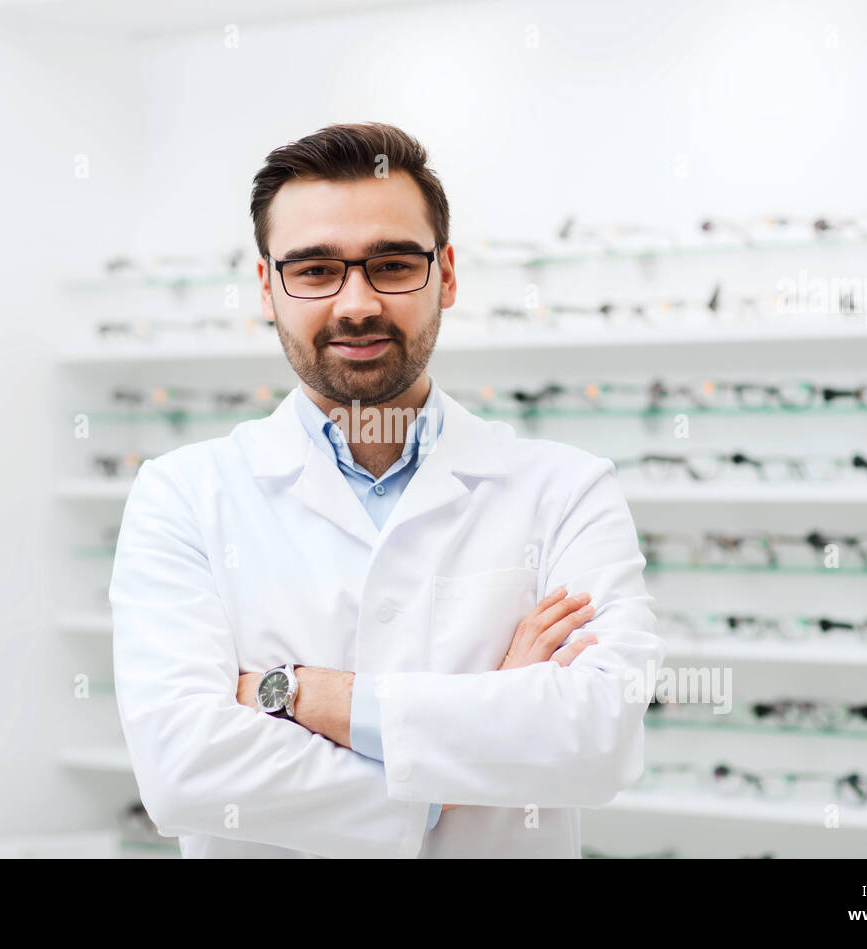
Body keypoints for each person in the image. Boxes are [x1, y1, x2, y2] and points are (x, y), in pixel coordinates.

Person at [110, 122, 665, 858]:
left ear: (448, 275)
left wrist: (298, 691)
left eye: (393, 264)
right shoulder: (181, 496)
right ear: (267, 289)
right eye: (313, 270)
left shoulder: (566, 489)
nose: (357, 303)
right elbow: (184, 772)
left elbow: (601, 735)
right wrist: (467, 762)